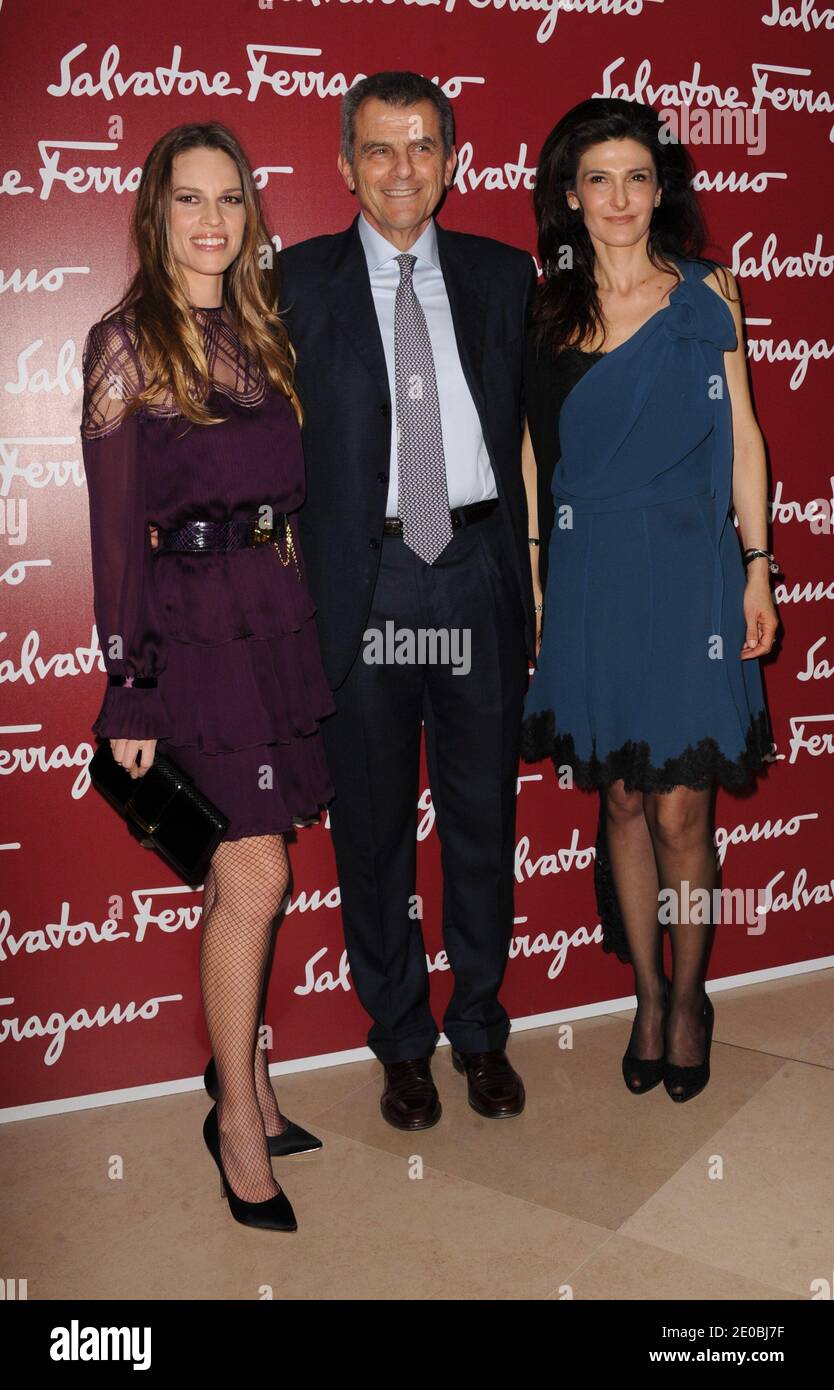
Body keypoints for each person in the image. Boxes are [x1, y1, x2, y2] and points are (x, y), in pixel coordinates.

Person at [80, 122, 336, 1230]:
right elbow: (110, 531)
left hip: (271, 620)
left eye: (229, 198)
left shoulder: (261, 331)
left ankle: (251, 1086)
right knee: (257, 877)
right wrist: (129, 682)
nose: (212, 221)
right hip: (188, 635)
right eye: (189, 199)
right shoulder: (127, 343)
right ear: (156, 212)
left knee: (254, 876)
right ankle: (235, 1119)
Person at [277, 71, 538, 1129]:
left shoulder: (503, 275)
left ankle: (479, 1029)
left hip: (475, 569)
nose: (401, 169)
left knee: (483, 816)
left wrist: (535, 574)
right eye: (379, 149)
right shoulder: (292, 285)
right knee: (375, 831)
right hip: (364, 581)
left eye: (422, 146)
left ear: (451, 161)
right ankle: (400, 1041)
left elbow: (535, 438)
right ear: (345, 165)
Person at [520, 98, 778, 1103]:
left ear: (660, 188)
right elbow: (535, 461)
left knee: (681, 805)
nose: (620, 198)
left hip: (691, 574)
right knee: (621, 795)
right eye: (600, 178)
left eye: (638, 176)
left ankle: (689, 995)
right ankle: (644, 992)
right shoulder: (550, 309)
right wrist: (543, 583)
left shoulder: (711, 289)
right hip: (590, 577)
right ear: (571, 196)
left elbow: (746, 438)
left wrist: (757, 564)